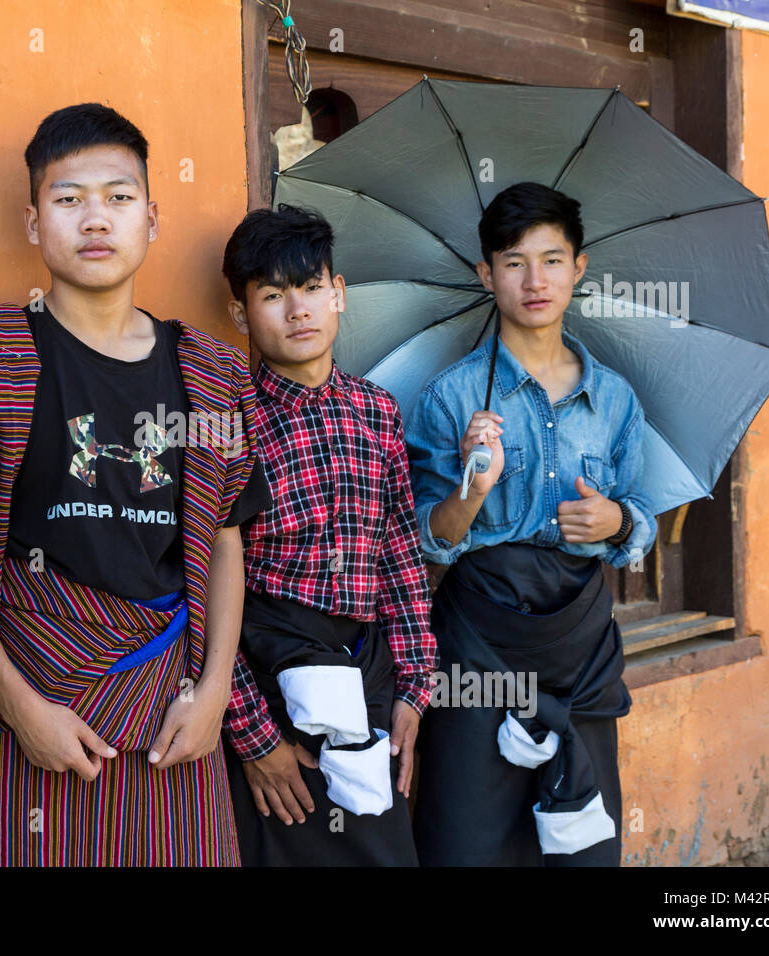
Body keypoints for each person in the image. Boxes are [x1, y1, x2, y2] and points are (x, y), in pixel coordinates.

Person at [0, 103, 269, 866]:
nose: (96, 219)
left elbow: (225, 540)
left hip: (166, 706)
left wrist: (213, 697)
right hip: (25, 698)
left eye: (119, 196)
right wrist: (20, 706)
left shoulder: (206, 375)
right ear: (34, 222)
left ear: (152, 218)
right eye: (68, 199)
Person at [405, 181, 656, 866]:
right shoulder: (453, 397)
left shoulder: (614, 399)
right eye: (514, 262)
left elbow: (643, 526)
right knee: (466, 833)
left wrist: (615, 520)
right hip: (479, 638)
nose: (534, 279)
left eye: (552, 259)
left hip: (579, 641)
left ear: (578, 267)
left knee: (582, 841)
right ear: (487, 275)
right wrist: (470, 487)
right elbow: (429, 540)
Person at [219, 204, 435, 865]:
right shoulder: (228, 424)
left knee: (381, 847)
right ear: (240, 314)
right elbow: (202, 591)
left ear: (338, 293)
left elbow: (399, 554)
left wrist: (414, 689)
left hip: (364, 676)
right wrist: (254, 735)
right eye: (272, 295)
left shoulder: (376, 411)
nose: (297, 311)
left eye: (311, 288)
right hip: (271, 675)